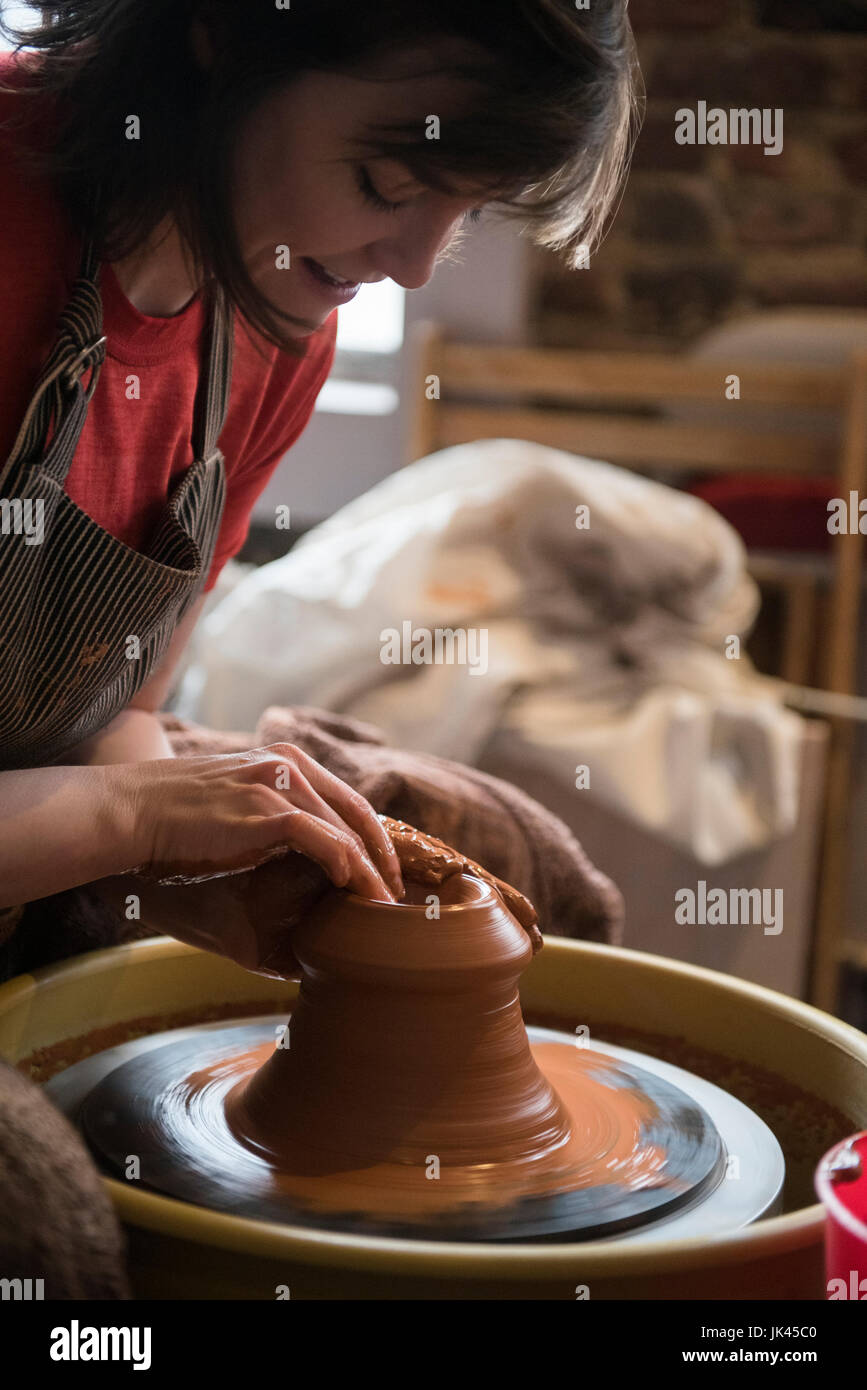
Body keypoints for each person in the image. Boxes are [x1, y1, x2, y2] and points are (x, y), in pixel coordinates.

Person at [0, 0, 640, 974]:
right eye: (387, 184)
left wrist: (210, 873)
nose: (418, 267)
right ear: (224, 31)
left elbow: (119, 717)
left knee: (494, 855)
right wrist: (137, 816)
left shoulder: (273, 325)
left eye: (467, 211)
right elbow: (114, 795)